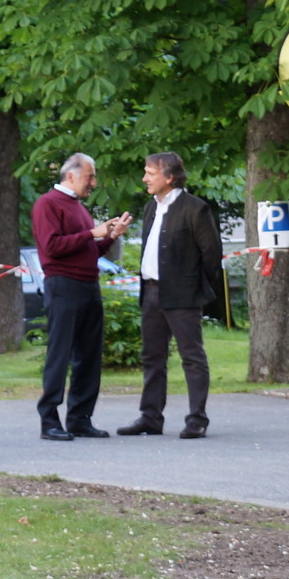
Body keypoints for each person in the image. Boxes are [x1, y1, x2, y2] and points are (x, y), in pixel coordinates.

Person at [117, 152, 222, 440]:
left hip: (182, 294)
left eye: (150, 173)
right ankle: (150, 417)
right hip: (150, 292)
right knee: (152, 357)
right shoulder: (151, 207)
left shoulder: (195, 208)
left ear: (169, 177)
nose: (144, 178)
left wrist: (192, 285)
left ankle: (197, 419)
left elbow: (211, 255)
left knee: (192, 356)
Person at [30, 153, 130, 442]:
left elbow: (89, 252)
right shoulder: (47, 204)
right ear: (70, 176)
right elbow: (51, 247)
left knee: (89, 356)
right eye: (89, 177)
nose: (93, 183)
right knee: (60, 355)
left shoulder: (77, 207)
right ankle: (49, 421)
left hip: (88, 285)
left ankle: (80, 419)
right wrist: (91, 232)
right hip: (63, 286)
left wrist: (110, 237)